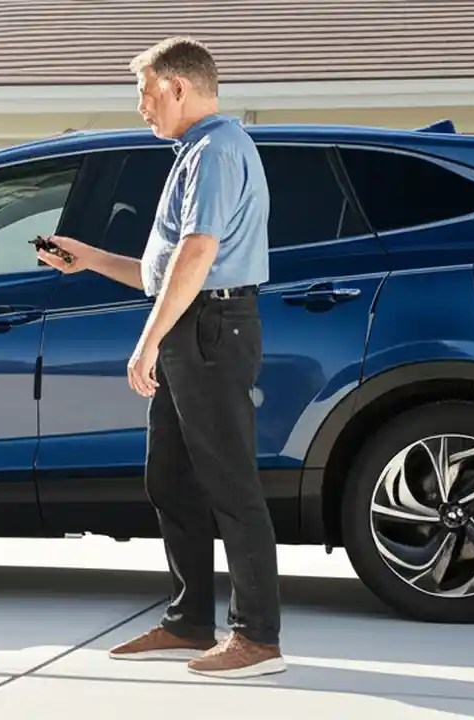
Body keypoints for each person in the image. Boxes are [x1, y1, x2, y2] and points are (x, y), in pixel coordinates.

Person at [36, 36, 284, 678]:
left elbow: (199, 254)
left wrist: (147, 341)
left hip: (211, 327)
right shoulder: (195, 151)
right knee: (170, 478)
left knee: (230, 482)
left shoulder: (218, 150)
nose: (141, 106)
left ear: (178, 86)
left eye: (145, 92)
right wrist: (90, 258)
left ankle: (257, 639)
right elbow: (166, 269)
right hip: (192, 323)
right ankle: (188, 622)